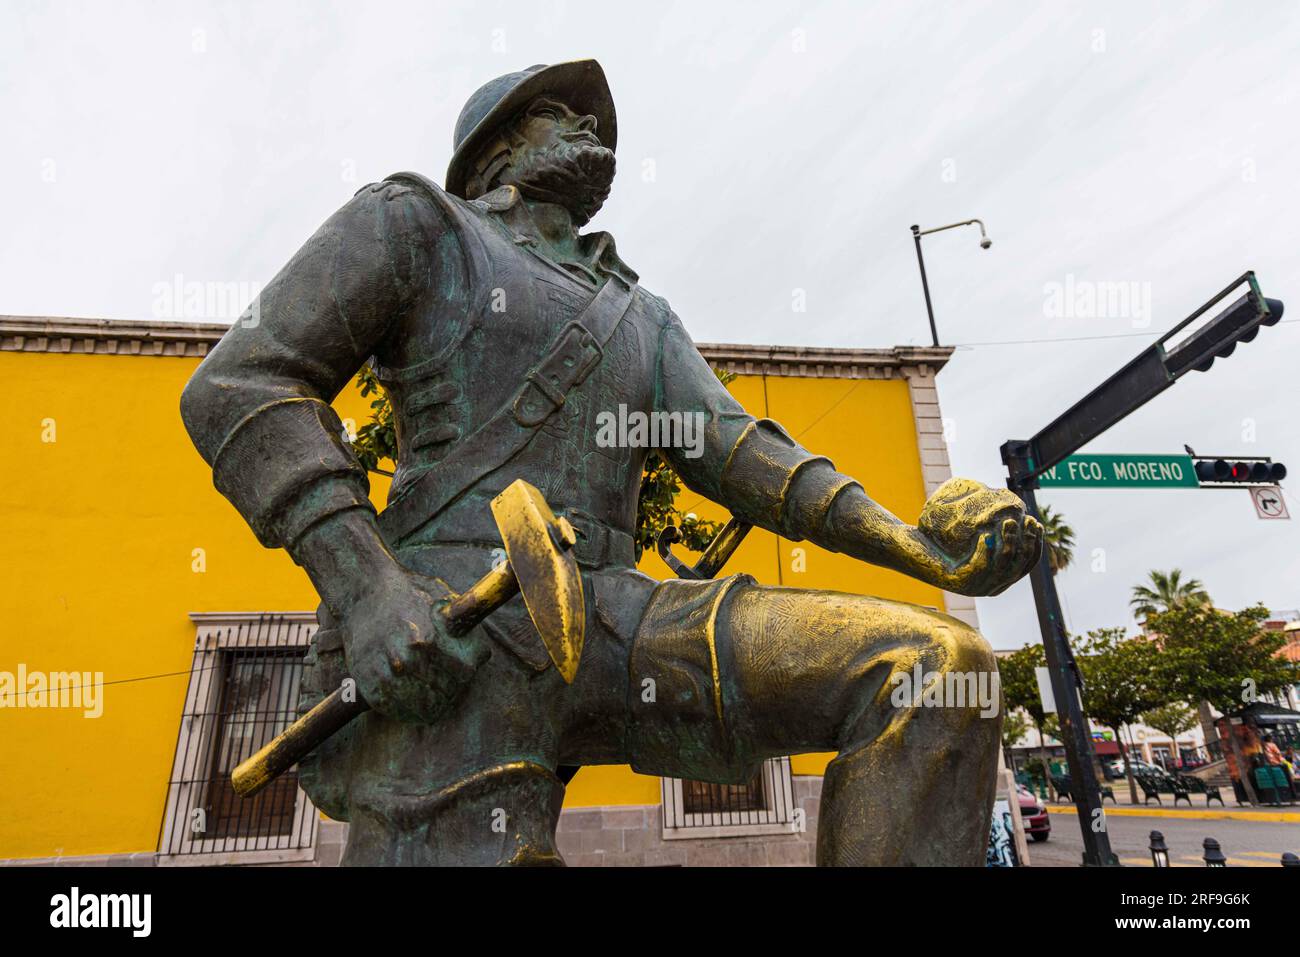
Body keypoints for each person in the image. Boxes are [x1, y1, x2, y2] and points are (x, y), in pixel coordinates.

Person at [181, 59, 1041, 866]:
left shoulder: (640, 314)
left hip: (619, 614)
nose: (591, 125)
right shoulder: (417, 225)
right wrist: (368, 591)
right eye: (561, 112)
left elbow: (746, 456)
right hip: (459, 622)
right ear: (496, 147)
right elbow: (239, 384)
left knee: (935, 668)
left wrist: (918, 546)